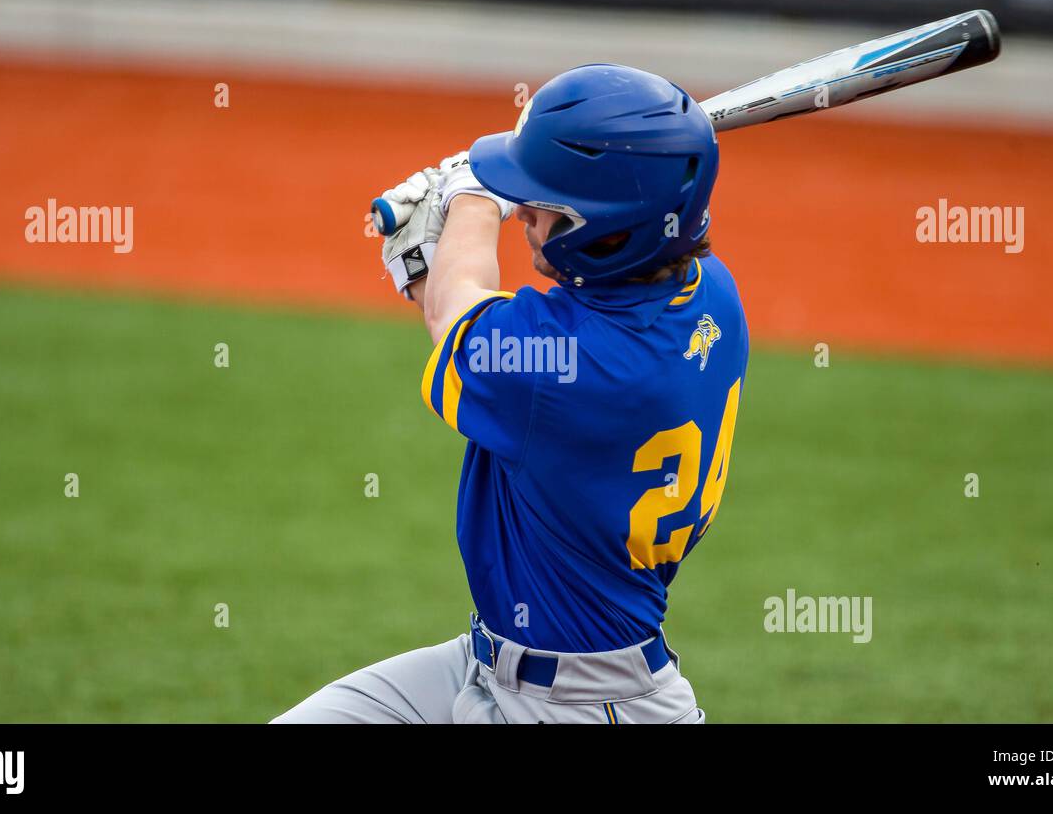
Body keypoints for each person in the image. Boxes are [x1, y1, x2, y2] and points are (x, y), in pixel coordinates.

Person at [274, 63, 747, 724]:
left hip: (585, 705)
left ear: (614, 230)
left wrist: (470, 192)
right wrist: (430, 266)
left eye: (544, 202)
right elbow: (475, 338)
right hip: (489, 665)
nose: (523, 211)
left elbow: (461, 324)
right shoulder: (712, 298)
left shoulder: (580, 364)